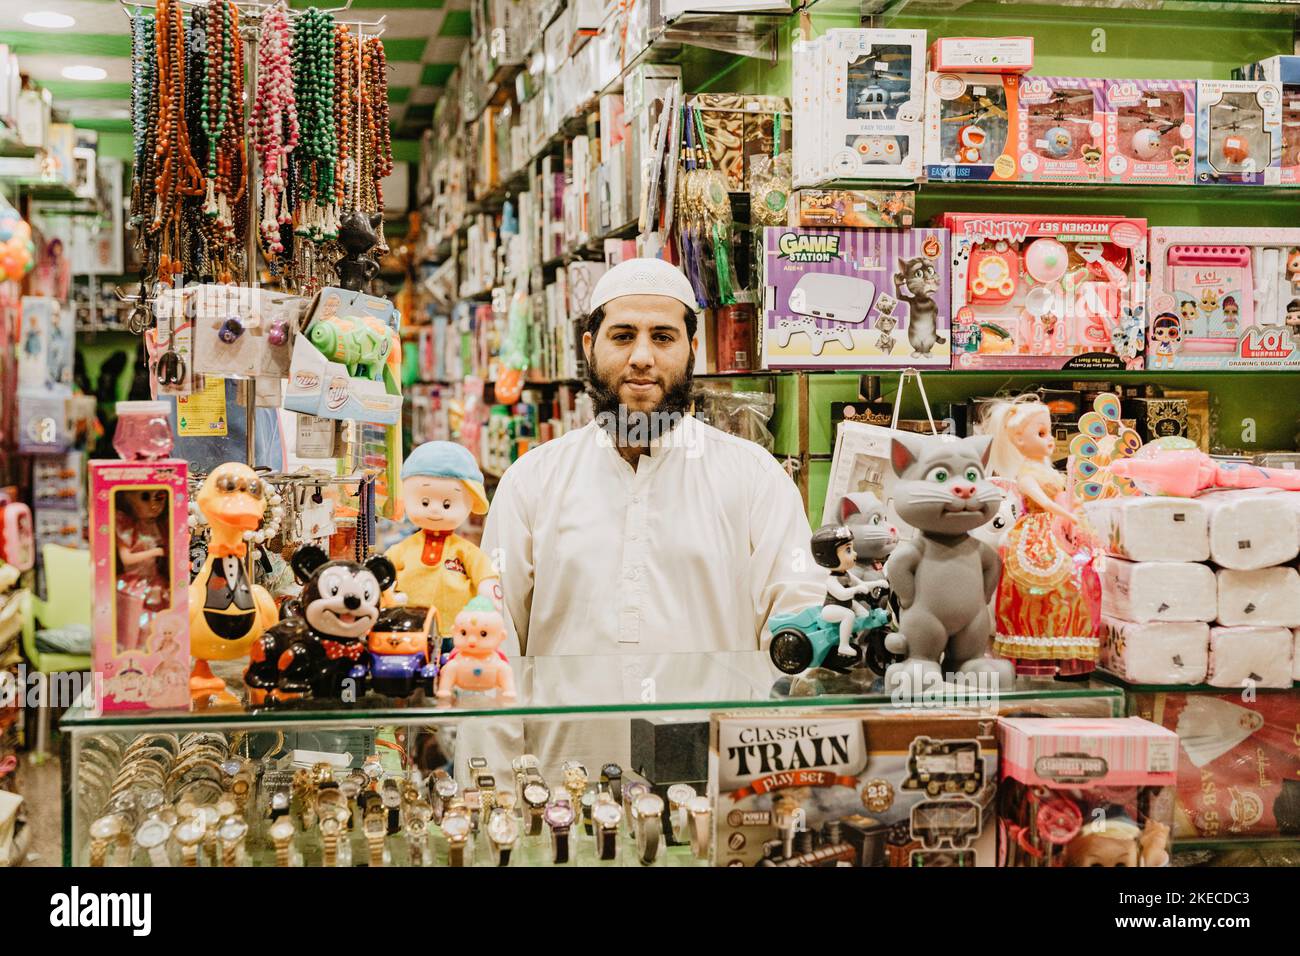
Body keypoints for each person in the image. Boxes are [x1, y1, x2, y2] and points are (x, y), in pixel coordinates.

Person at [481, 257, 820, 657]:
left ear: (692, 350)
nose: (642, 357)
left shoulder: (755, 479)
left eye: (662, 337)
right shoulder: (531, 482)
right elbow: (490, 640)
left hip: (711, 720)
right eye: (623, 336)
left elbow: (797, 630)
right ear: (589, 347)